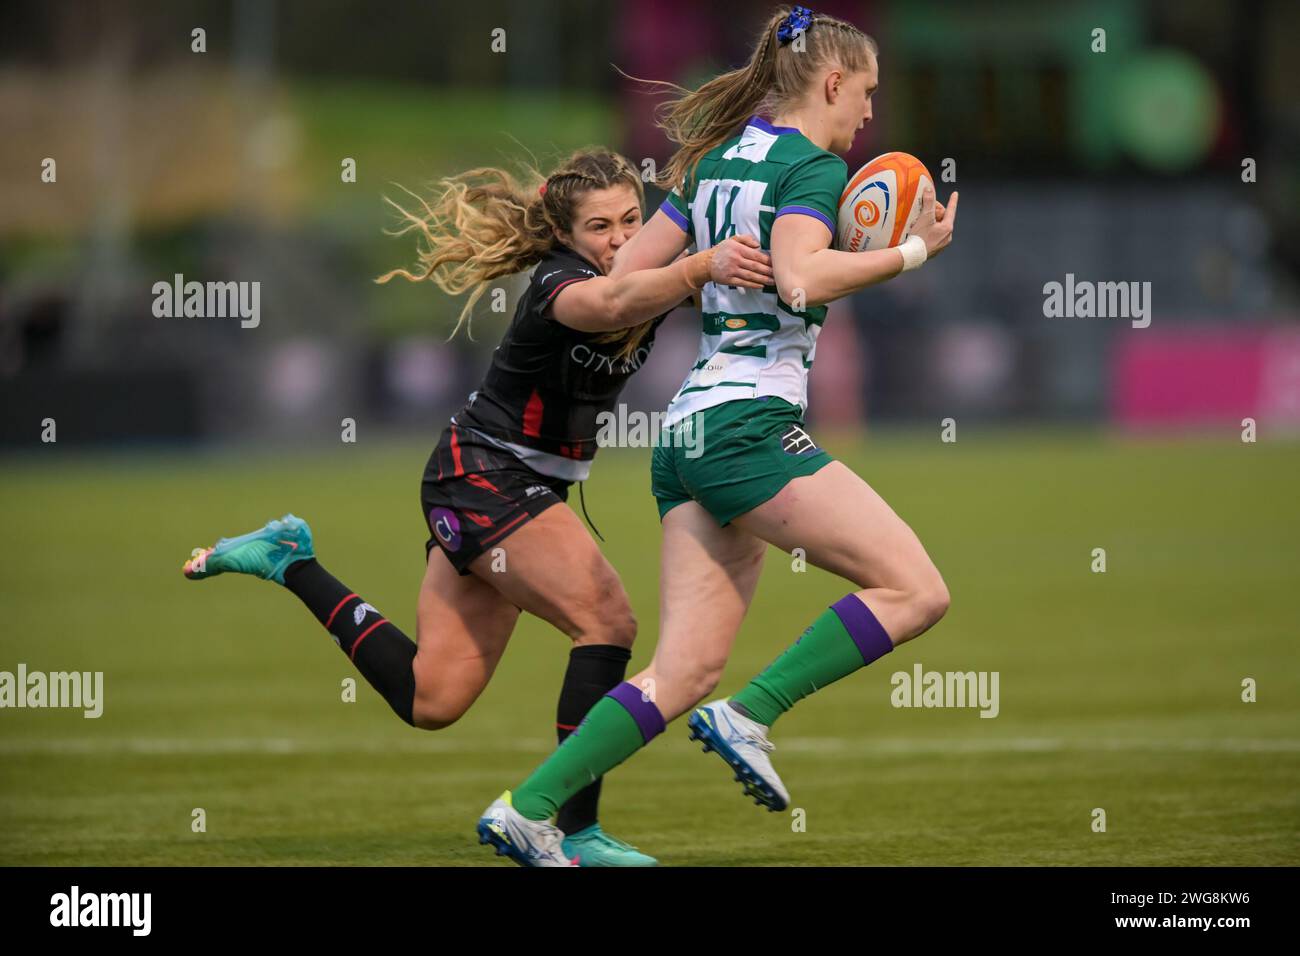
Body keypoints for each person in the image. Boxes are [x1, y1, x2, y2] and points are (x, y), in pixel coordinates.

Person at [181, 148, 772, 867]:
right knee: (608, 619)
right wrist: (699, 266)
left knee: (433, 697)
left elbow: (732, 282)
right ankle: (572, 832)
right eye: (599, 227)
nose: (619, 238)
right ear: (565, 235)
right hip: (483, 473)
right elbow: (615, 304)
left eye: (629, 220)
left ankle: (291, 560)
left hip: (515, 485)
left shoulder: (640, 274)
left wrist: (847, 239)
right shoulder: (562, 282)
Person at [475, 6, 957, 866]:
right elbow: (804, 280)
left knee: (682, 672)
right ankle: (753, 712)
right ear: (833, 83)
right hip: (747, 428)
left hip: (686, 432)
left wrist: (704, 271)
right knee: (916, 590)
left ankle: (532, 807)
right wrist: (911, 255)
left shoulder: (714, 163)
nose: (869, 117)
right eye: (867, 95)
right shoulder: (811, 167)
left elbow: (621, 275)